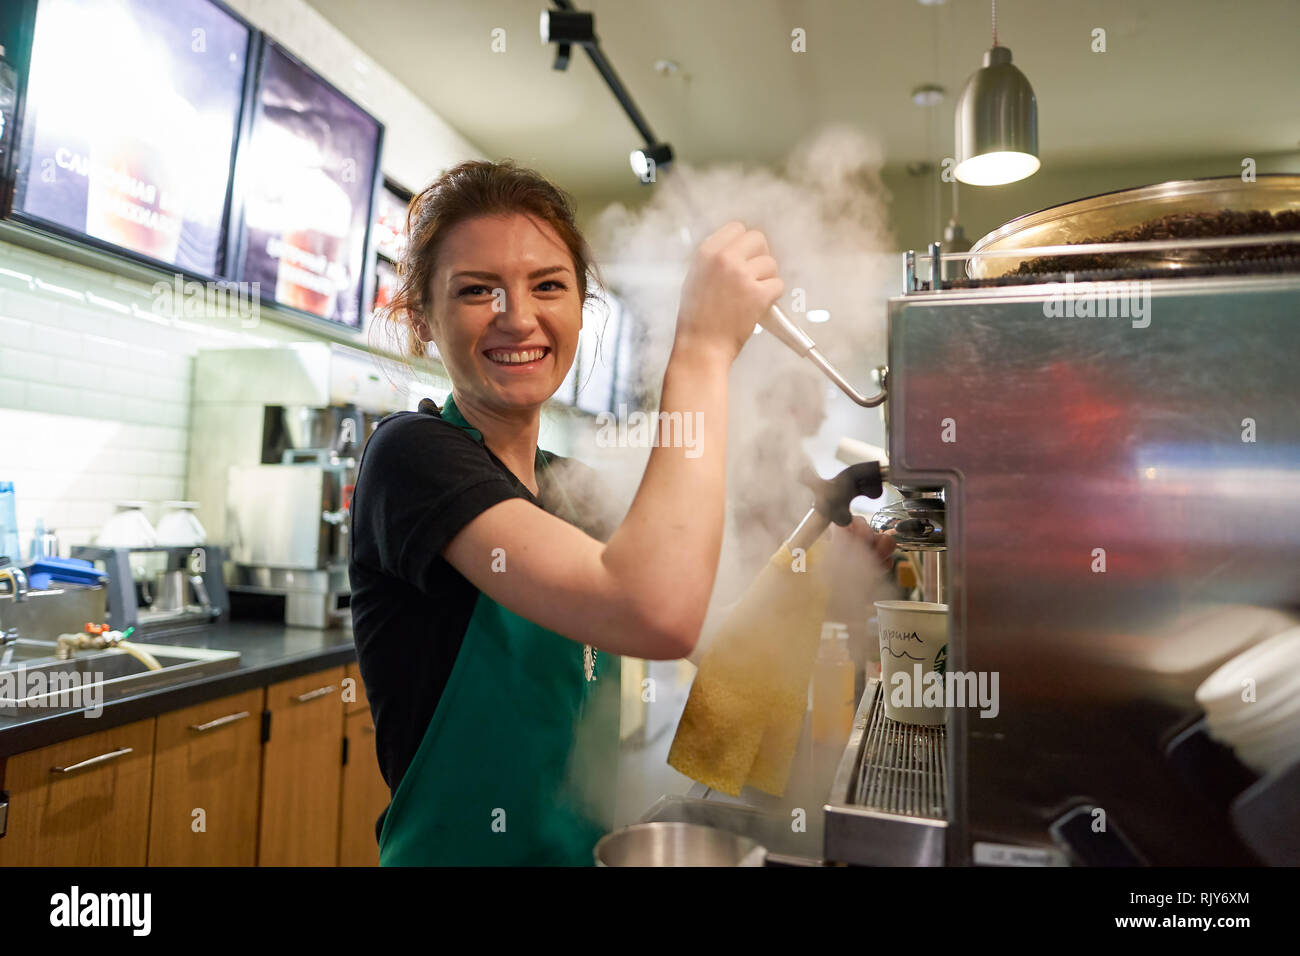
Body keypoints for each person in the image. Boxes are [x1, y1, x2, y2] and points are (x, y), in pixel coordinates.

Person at [347, 159, 787, 865]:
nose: (517, 317)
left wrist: (826, 553)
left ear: (581, 307)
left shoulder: (573, 488)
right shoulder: (411, 458)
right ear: (423, 319)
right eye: (476, 290)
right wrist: (702, 351)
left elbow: (705, 625)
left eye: (548, 285)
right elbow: (655, 610)